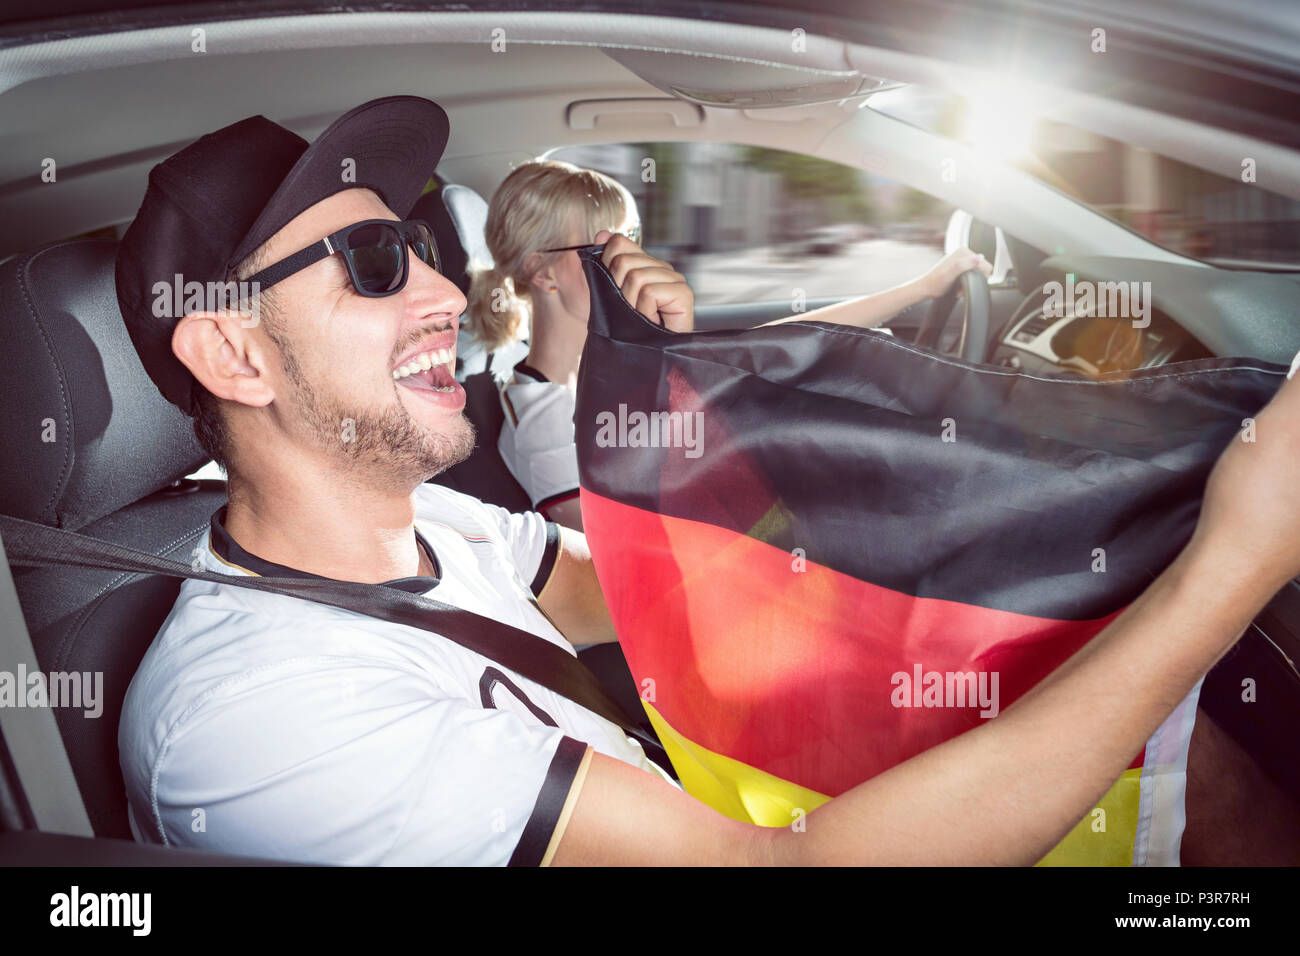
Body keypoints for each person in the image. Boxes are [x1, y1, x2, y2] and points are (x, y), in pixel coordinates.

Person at [115, 96, 1300, 866]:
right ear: (230, 352)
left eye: (420, 247)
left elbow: (704, 575)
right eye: (373, 267)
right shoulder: (252, 712)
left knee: (1182, 753)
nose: (439, 293)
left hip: (723, 799)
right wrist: (1229, 568)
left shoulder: (437, 524)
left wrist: (681, 384)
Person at [468, 158, 990, 531]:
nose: (630, 259)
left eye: (632, 239)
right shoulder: (543, 423)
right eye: (603, 248)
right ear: (544, 274)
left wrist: (921, 288)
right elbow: (636, 552)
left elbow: (779, 342)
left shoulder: (596, 370)